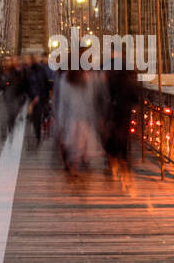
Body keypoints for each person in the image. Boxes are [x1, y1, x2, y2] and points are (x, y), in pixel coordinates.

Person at [53, 64, 103, 172]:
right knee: (83, 143)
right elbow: (91, 100)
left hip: (71, 117)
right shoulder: (89, 77)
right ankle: (79, 162)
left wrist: (60, 122)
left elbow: (62, 102)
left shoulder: (65, 78)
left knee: (72, 143)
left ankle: (73, 164)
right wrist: (94, 118)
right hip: (84, 116)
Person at [102, 49, 141, 180]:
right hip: (125, 106)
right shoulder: (129, 68)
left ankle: (112, 161)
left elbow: (104, 88)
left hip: (112, 106)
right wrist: (135, 100)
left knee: (112, 133)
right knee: (123, 133)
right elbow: (134, 87)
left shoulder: (107, 68)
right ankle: (122, 159)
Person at [24, 53, 51, 147]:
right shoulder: (30, 70)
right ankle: (37, 136)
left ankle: (37, 136)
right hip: (35, 98)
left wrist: (43, 97)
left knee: (37, 118)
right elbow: (28, 85)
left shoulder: (38, 70)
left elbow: (44, 84)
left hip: (39, 98)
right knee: (36, 118)